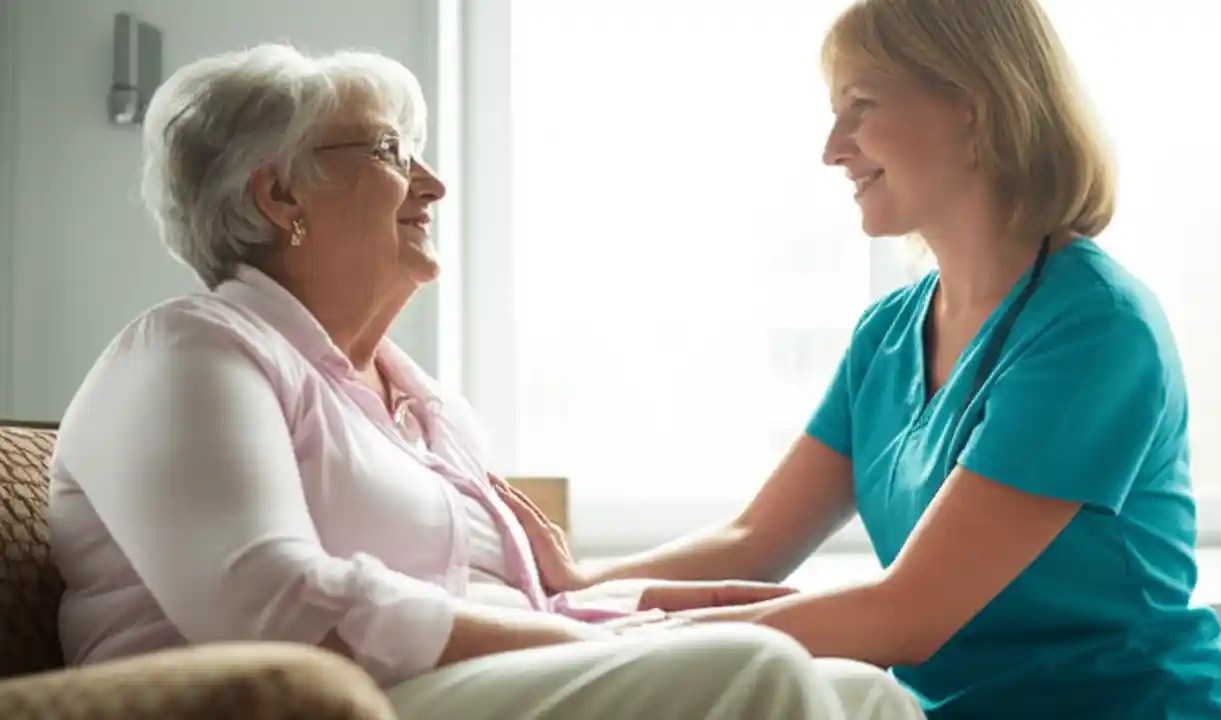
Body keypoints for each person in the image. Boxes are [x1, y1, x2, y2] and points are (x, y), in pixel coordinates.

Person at [46, 44, 923, 720]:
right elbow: (268, 600)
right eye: (391, 151)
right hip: (303, 703)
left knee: (860, 691)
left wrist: (634, 607)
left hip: (435, 686)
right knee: (755, 671)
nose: (431, 183)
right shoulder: (190, 352)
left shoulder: (422, 404)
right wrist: (608, 630)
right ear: (281, 196)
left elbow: (511, 604)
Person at [506, 1, 1221, 718]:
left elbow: (905, 615)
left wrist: (607, 641)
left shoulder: (1098, 330)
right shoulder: (887, 334)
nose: (832, 147)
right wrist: (578, 592)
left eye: (860, 105)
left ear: (973, 106)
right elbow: (752, 544)